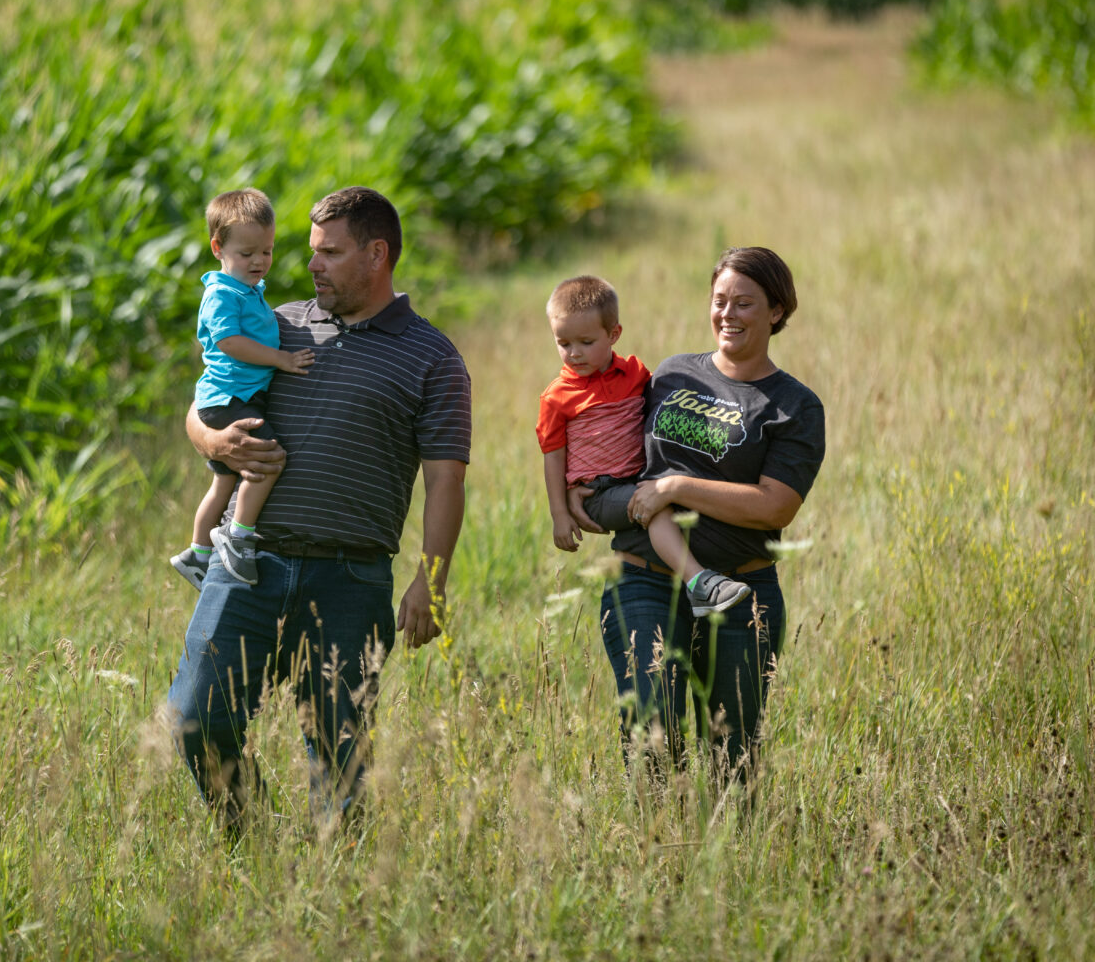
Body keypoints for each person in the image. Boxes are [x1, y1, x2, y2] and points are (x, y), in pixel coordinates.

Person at [166, 186, 471, 831]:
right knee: (194, 717)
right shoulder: (275, 321)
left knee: (340, 762)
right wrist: (211, 439)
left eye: (329, 253)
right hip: (248, 562)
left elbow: (447, 481)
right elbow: (205, 397)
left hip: (350, 578)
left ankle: (338, 892)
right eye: (310, 252)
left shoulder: (432, 357)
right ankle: (250, 842)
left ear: (377, 255)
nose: (311, 266)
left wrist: (431, 583)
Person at [575, 247, 824, 783]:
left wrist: (677, 487)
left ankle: (732, 859)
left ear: (777, 311)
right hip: (644, 580)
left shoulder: (793, 406)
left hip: (741, 596)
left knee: (733, 754)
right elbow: (612, 440)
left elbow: (775, 505)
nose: (727, 314)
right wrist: (577, 491)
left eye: (744, 303)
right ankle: (659, 855)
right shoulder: (670, 375)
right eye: (719, 301)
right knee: (652, 728)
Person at [537, 275, 753, 617]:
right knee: (657, 506)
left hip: (638, 477)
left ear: (614, 334)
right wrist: (560, 514)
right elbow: (553, 456)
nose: (574, 353)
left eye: (586, 341)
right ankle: (699, 584)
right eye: (563, 343)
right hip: (597, 492)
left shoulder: (635, 374)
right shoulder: (557, 397)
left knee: (665, 498)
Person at [169, 188, 315, 590]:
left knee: (224, 481)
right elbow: (229, 342)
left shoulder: (248, 292)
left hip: (230, 399)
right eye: (246, 253)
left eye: (266, 252)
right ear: (218, 248)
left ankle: (196, 555)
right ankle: (237, 535)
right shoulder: (220, 293)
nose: (259, 262)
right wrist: (281, 359)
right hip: (229, 401)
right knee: (269, 462)